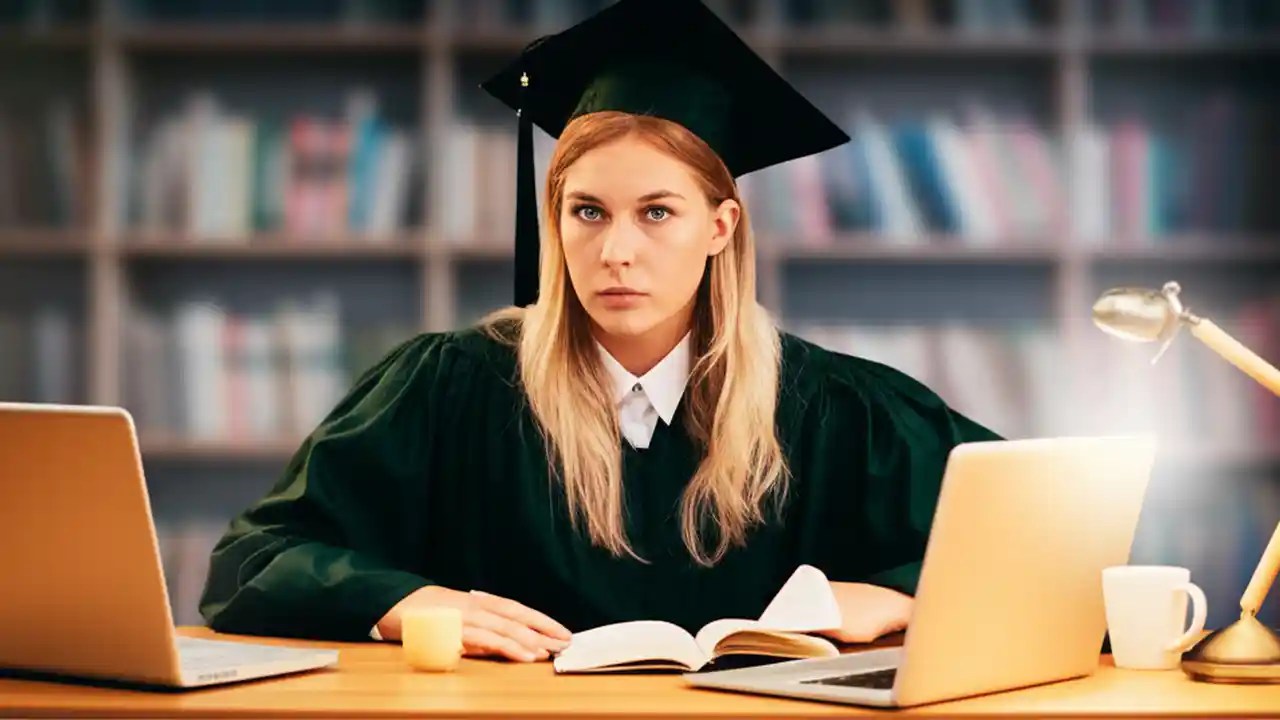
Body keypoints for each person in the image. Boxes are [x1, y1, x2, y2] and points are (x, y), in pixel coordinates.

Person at [199, 0, 1001, 664]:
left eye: (657, 212)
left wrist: (897, 593)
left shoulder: (836, 410)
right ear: (555, 219)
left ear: (720, 227)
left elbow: (1041, 542)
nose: (616, 250)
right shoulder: (452, 388)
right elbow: (252, 562)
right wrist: (405, 602)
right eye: (588, 211)